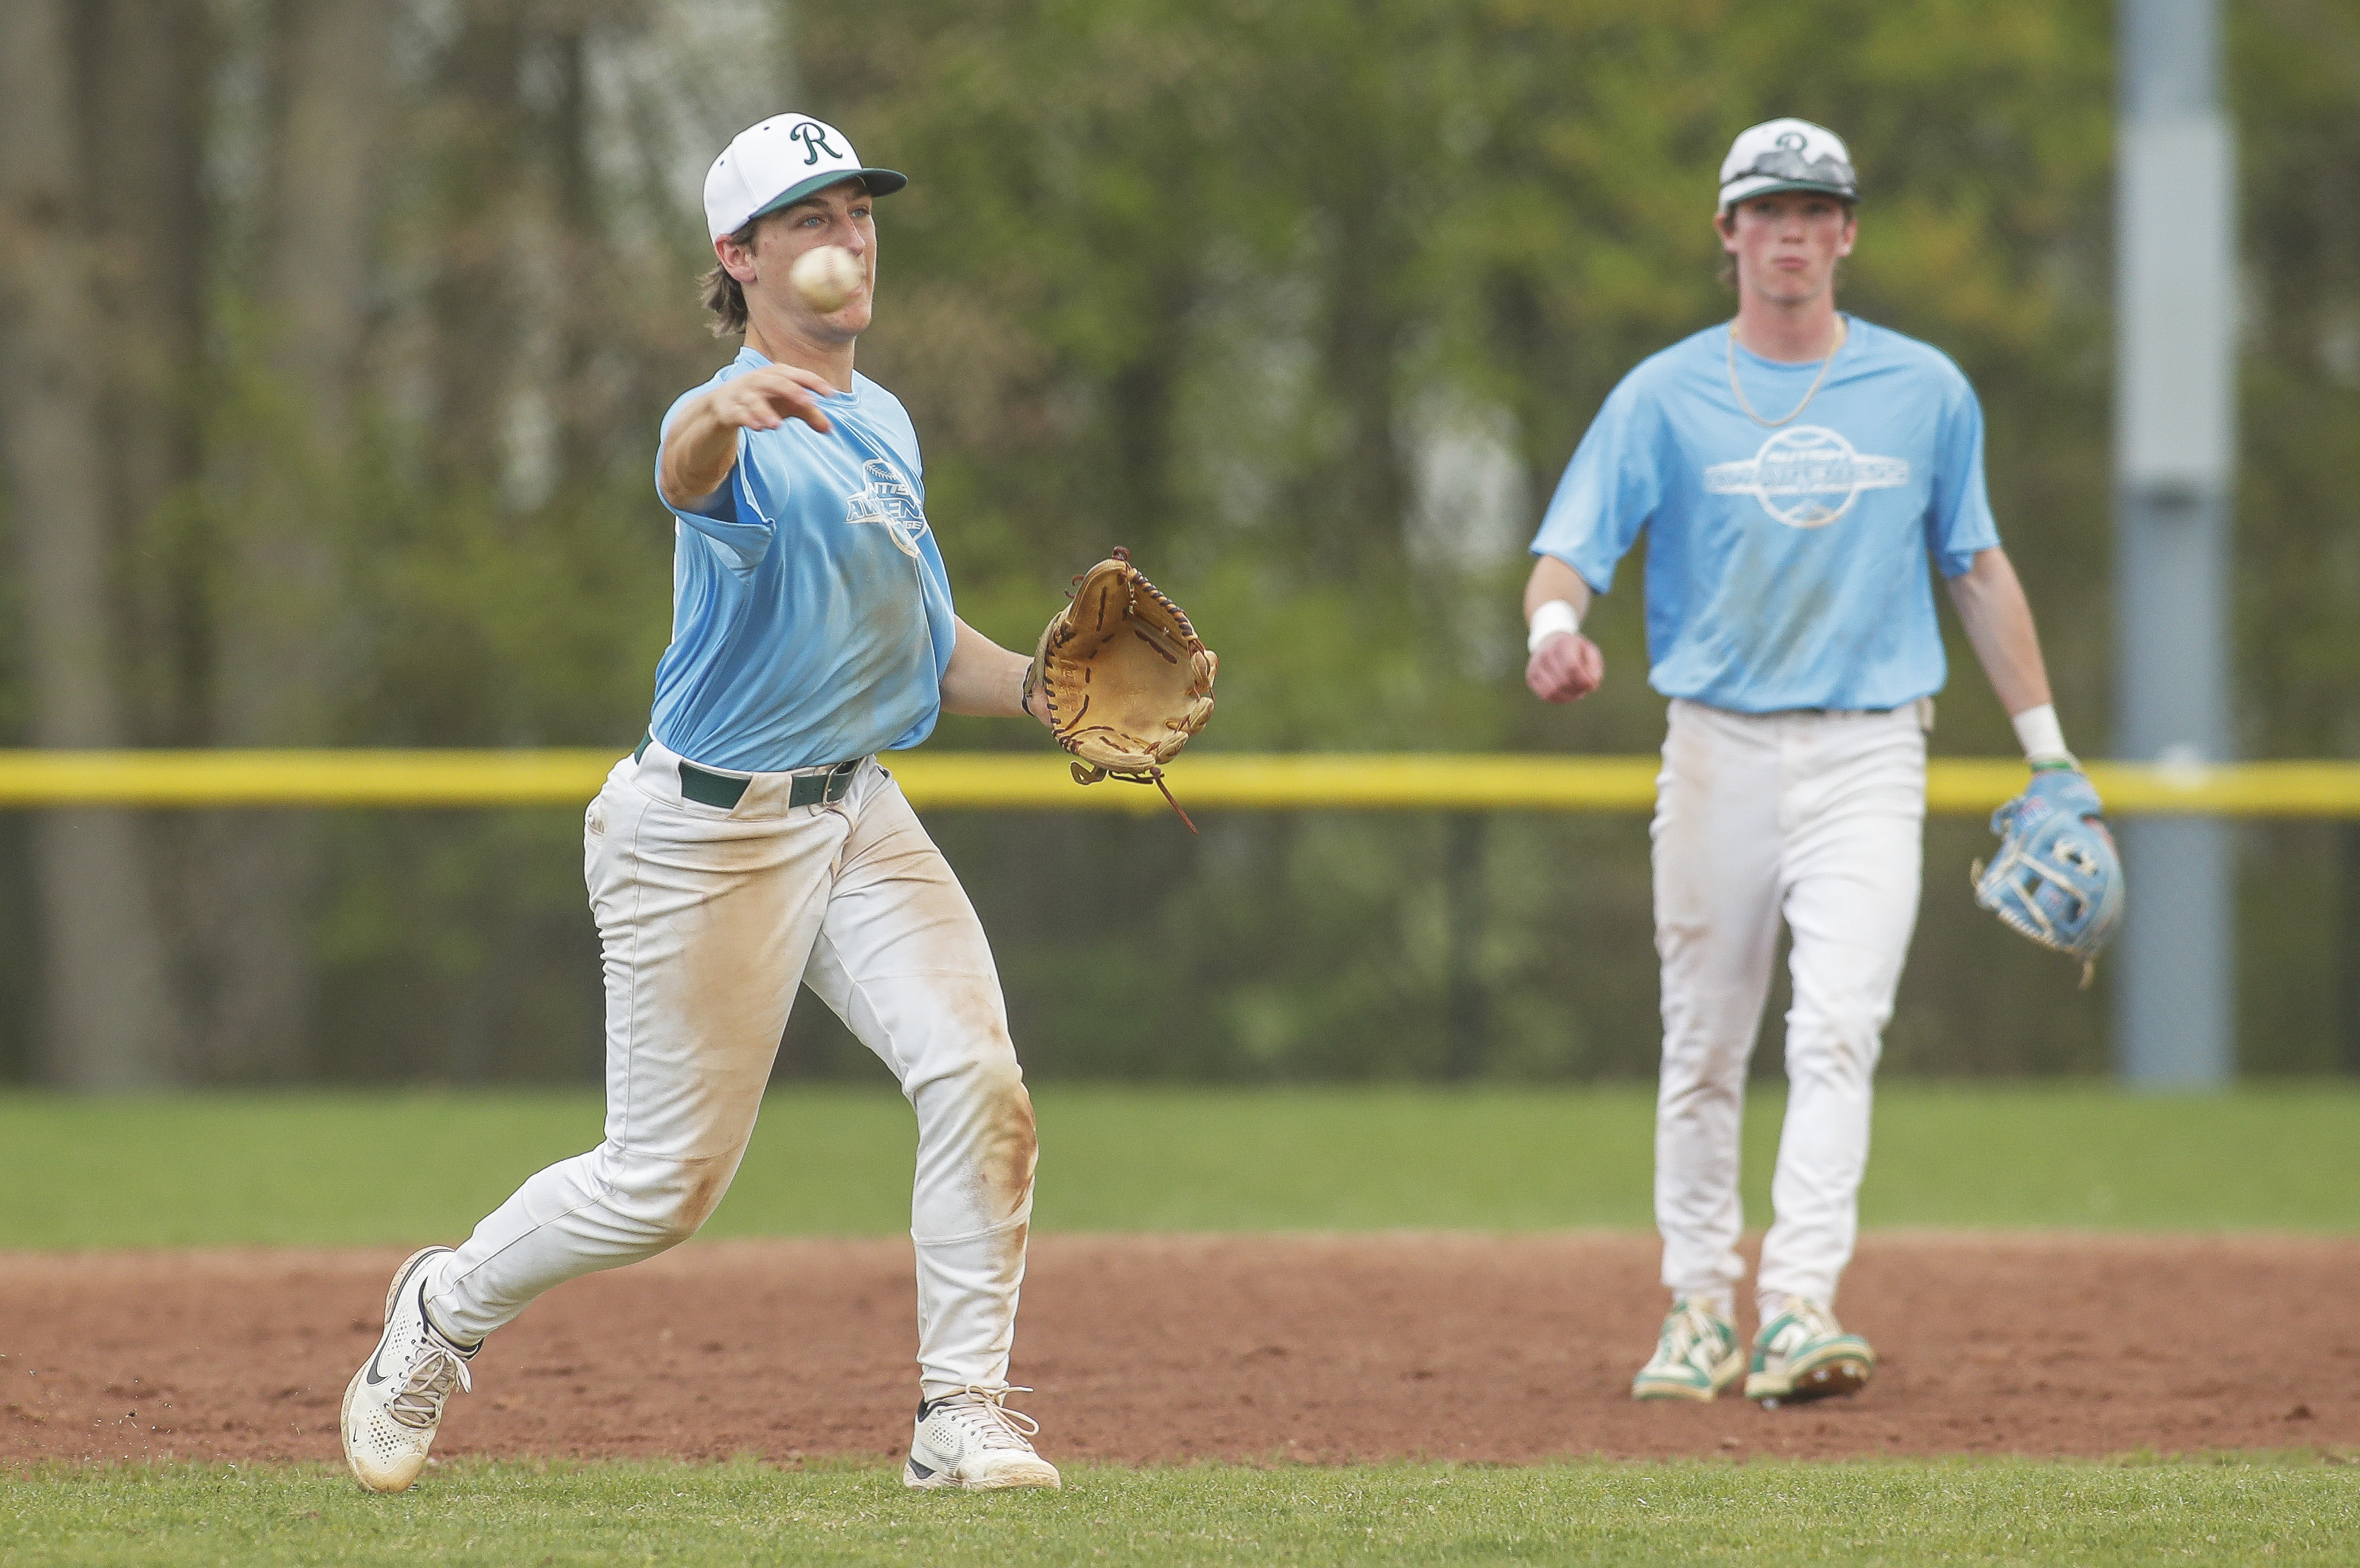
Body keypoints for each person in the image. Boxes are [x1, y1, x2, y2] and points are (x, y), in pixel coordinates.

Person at [341, 113, 1064, 1492]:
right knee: (659, 1187)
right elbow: (685, 470)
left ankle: (961, 1412)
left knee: (980, 1078)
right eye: (808, 220)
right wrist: (713, 408)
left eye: (857, 214)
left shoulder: (884, 419)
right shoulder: (736, 427)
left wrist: (1046, 692)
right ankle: (439, 1307)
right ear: (736, 256)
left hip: (856, 811)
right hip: (707, 835)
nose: (846, 239)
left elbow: (924, 650)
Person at [1519, 119, 2098, 1405]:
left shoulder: (1926, 390)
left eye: (1813, 209)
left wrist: (2051, 758)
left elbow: (1977, 563)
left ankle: (1797, 1307)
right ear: (1728, 233)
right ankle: (1695, 1308)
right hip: (1718, 740)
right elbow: (1568, 552)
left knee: (1840, 1028)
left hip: (1871, 748)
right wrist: (1556, 629)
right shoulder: (1664, 392)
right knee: (1707, 1039)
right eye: (1766, 209)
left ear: (1846, 231)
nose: (1790, 231)